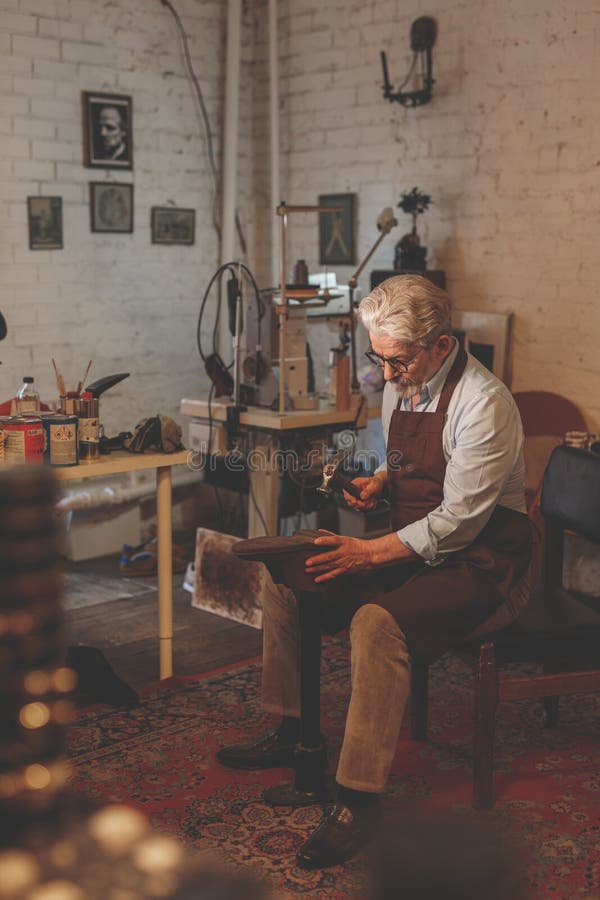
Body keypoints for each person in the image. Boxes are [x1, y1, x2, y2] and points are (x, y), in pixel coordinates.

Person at [218, 274, 532, 869]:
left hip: (482, 560)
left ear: (440, 345)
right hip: (414, 544)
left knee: (375, 623)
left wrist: (366, 552)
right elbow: (407, 463)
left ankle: (358, 799)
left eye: (398, 361)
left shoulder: (485, 405)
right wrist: (381, 482)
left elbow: (459, 524)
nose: (385, 376)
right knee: (288, 578)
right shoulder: (402, 381)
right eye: (378, 358)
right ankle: (293, 732)